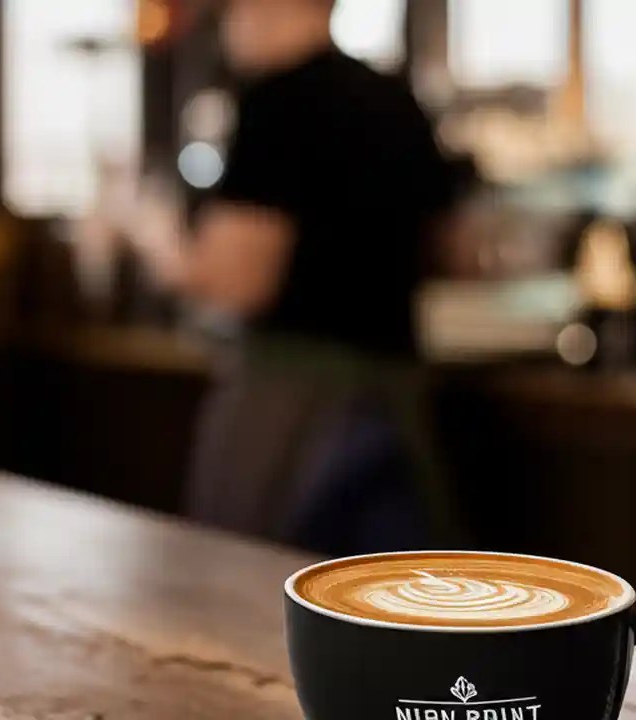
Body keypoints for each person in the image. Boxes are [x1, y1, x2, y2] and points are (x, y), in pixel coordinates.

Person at [132, 0, 460, 555]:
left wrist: (149, 231)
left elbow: (240, 282)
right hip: (399, 395)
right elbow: (456, 252)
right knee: (386, 606)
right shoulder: (397, 100)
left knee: (238, 594)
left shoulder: (276, 102)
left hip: (293, 402)